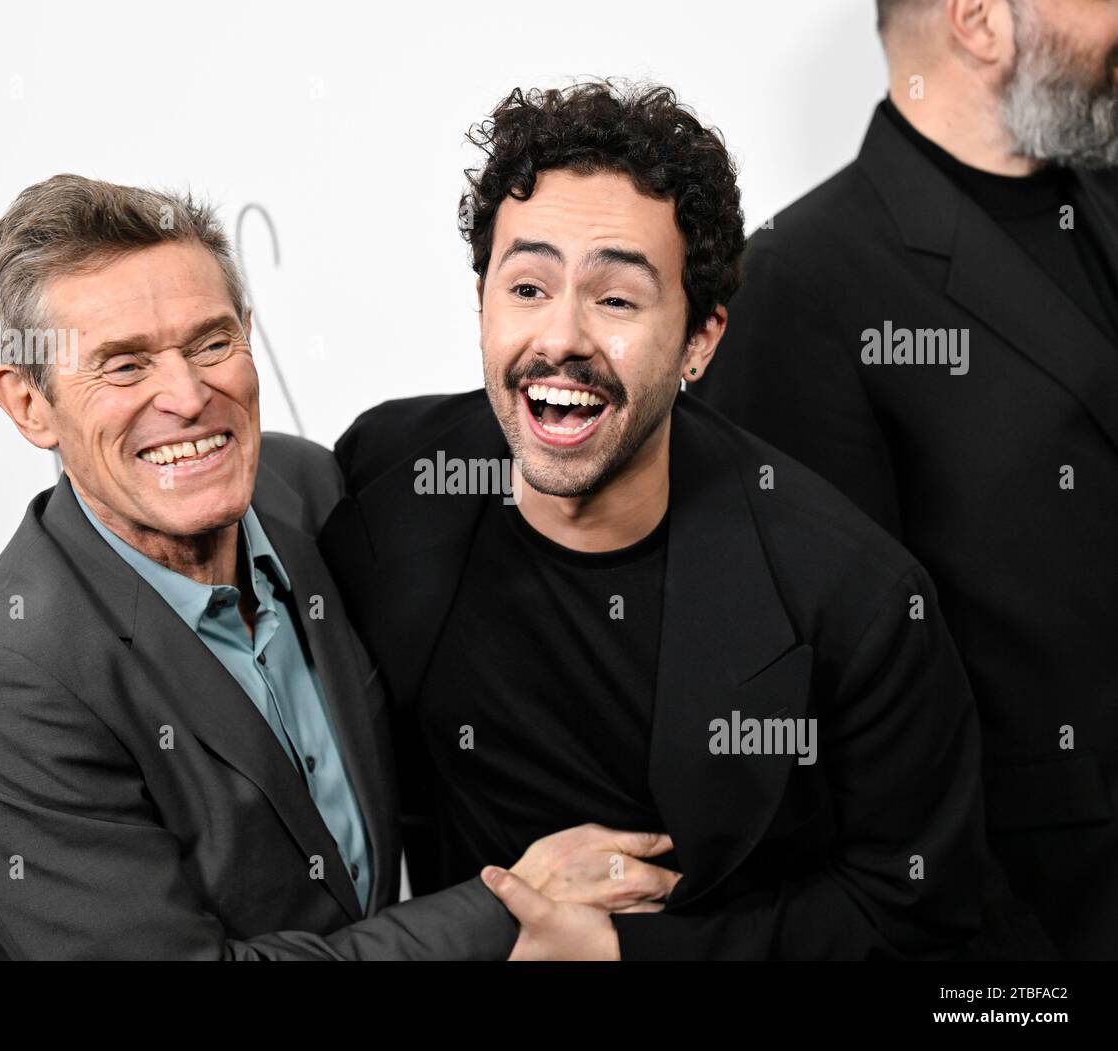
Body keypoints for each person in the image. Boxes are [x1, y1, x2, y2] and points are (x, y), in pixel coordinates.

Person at [0, 174, 676, 960]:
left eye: (211, 343)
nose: (187, 395)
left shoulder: (307, 490)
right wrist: (507, 904)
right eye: (124, 366)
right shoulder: (0, 687)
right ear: (30, 405)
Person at [320, 81, 989, 960]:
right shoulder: (388, 476)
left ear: (702, 339)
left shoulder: (855, 598)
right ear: (482, 300)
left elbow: (917, 914)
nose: (560, 337)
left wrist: (627, 956)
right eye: (526, 285)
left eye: (617, 299)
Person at [696, 0, 1118, 959]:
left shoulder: (1104, 195)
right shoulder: (803, 284)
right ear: (978, 21)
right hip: (1034, 924)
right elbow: (845, 704)